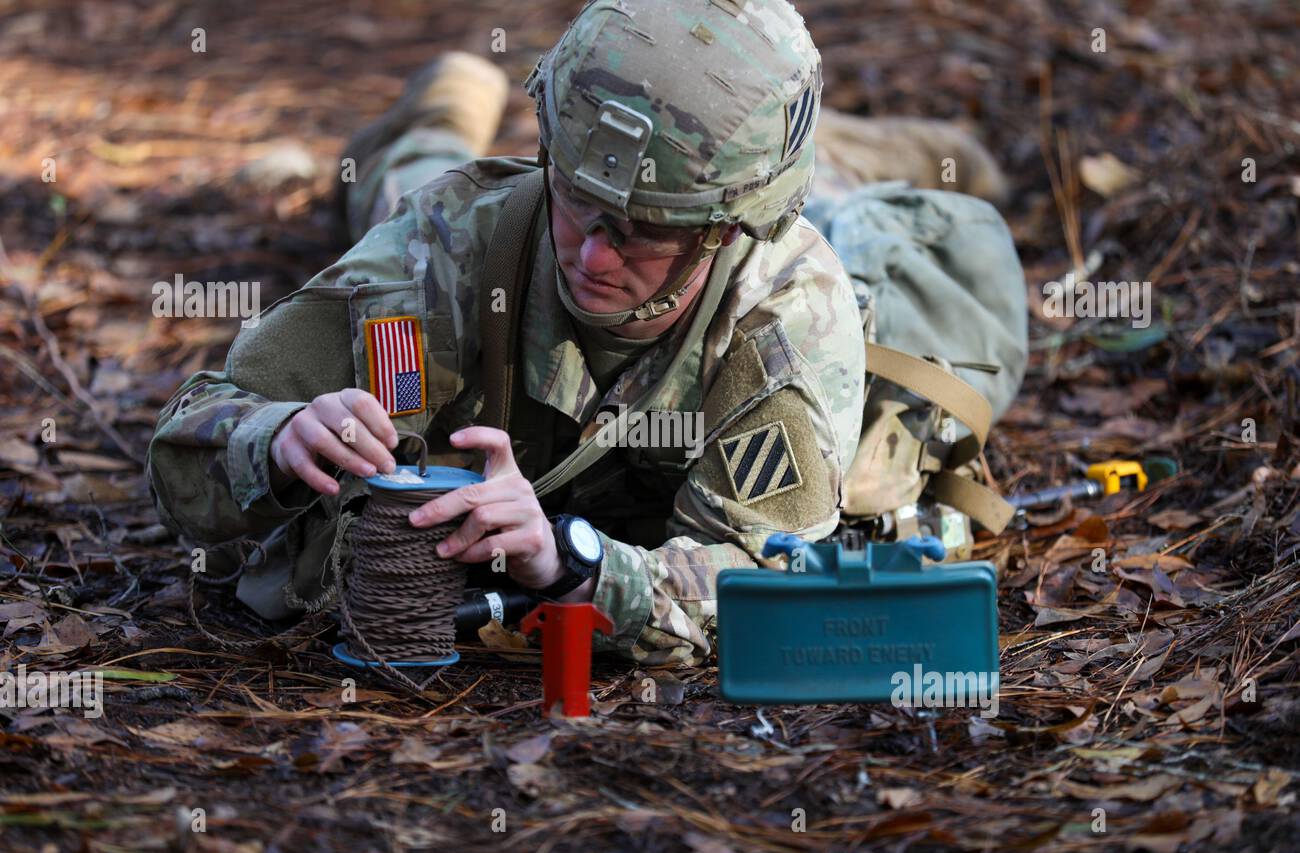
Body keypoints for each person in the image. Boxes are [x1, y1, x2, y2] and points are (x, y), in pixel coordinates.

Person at [147, 0, 1009, 667]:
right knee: (409, 179)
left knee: (897, 239)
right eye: (579, 205)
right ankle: (449, 98)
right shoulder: (444, 245)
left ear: (724, 230)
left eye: (645, 232)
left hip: (771, 215)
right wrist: (274, 439)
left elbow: (765, 584)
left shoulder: (784, 324)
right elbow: (188, 445)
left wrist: (575, 566)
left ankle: (890, 151)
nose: (595, 255)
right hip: (477, 211)